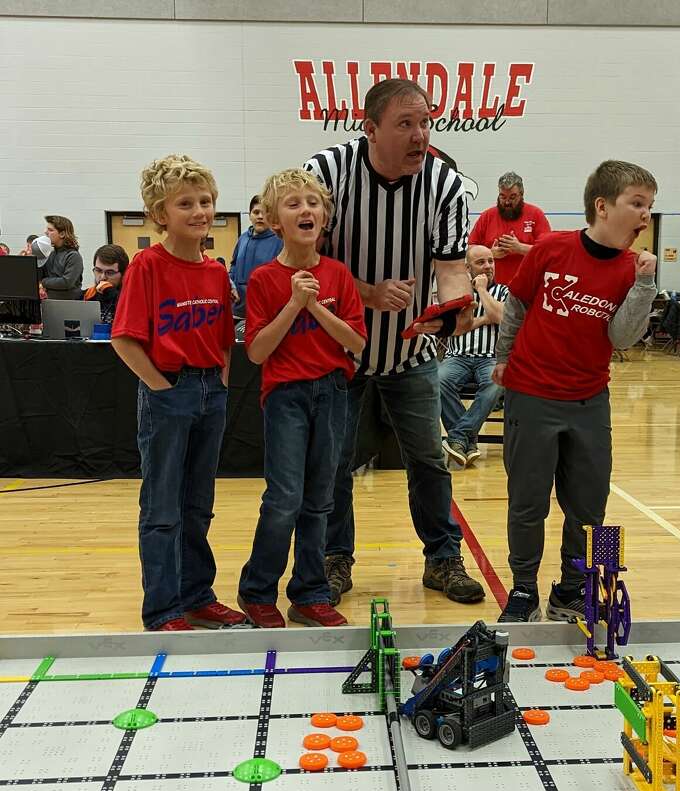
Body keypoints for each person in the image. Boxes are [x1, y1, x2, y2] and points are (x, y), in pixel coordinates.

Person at [304, 78, 484, 607]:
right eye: (405, 123)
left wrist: (451, 311)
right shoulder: (327, 172)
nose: (420, 134)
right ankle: (335, 559)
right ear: (370, 128)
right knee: (334, 460)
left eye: (426, 122)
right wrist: (366, 293)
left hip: (411, 351)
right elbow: (305, 260)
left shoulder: (446, 185)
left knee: (428, 459)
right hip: (338, 348)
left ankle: (442, 559)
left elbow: (451, 268)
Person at [494, 160, 658, 622]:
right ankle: (523, 588)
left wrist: (645, 285)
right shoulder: (550, 248)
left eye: (650, 206)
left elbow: (622, 338)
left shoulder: (633, 269)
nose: (646, 214)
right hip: (532, 394)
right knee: (528, 501)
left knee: (589, 505)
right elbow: (517, 305)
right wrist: (503, 358)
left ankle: (572, 588)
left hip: (589, 401)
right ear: (602, 206)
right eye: (637, 203)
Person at [111, 154, 246, 632]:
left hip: (212, 391)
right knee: (163, 507)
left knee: (198, 504)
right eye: (185, 203)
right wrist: (162, 387)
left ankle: (197, 595)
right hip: (171, 391)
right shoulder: (148, 264)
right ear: (159, 214)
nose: (199, 211)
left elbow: (226, 336)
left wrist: (222, 382)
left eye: (205, 201)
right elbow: (124, 338)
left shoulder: (215, 271)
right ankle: (164, 608)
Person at [237, 169, 368, 626]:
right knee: (285, 498)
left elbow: (355, 342)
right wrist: (293, 303)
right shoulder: (264, 280)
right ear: (275, 221)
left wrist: (313, 305)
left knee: (321, 498)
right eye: (292, 204)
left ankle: (310, 592)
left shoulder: (337, 274)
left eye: (312, 202)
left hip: (332, 393)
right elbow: (256, 351)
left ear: (325, 216)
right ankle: (257, 590)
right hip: (287, 397)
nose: (305, 209)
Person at [439, 244, 508, 467]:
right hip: (456, 356)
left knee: (496, 383)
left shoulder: (505, 291)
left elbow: (501, 317)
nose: (488, 267)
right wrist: (483, 319)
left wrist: (482, 291)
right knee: (438, 382)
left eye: (491, 261)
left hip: (490, 357)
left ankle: (458, 437)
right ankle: (467, 440)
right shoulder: (453, 292)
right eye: (481, 263)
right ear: (467, 268)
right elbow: (454, 329)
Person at [468, 171, 551, 287]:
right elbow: (470, 249)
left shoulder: (536, 215)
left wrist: (520, 248)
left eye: (512, 197)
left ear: (521, 194)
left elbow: (548, 252)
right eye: (502, 197)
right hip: (493, 288)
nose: (507, 202)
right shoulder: (487, 216)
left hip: (527, 287)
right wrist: (490, 254)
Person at [229, 194, 283, 326]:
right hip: (238, 309)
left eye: (264, 213)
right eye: (256, 212)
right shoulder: (242, 239)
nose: (260, 216)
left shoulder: (279, 241)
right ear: (250, 215)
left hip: (264, 313)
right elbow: (234, 265)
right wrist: (230, 284)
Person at [83, 244, 129, 324]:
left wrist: (113, 295)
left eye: (110, 273)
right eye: (98, 270)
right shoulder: (87, 295)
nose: (103, 277)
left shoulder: (130, 297)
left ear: (123, 274)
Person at [40, 215, 84, 297]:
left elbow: (66, 282)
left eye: (50, 230)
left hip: (69, 304)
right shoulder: (50, 254)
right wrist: (37, 255)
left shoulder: (73, 256)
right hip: (50, 303)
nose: (45, 232)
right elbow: (38, 276)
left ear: (62, 234)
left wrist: (43, 282)